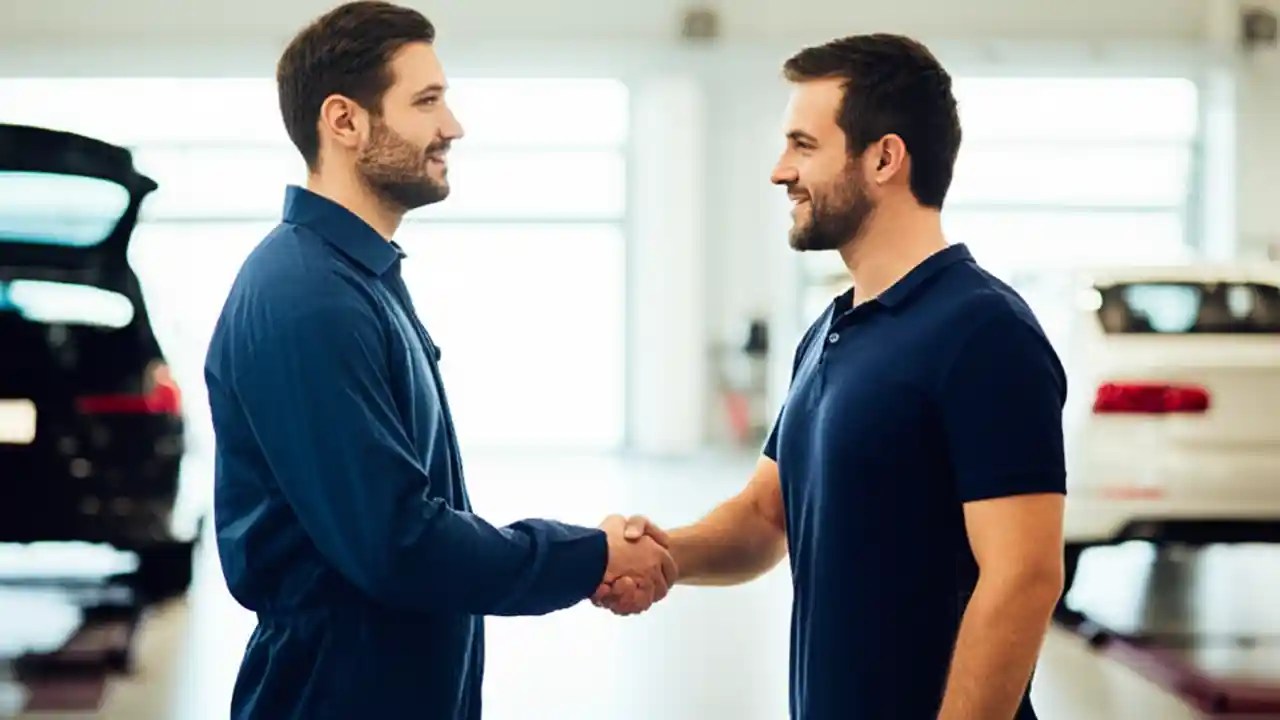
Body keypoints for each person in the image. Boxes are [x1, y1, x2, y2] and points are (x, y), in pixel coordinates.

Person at [202, 3, 675, 718]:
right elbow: (399, 545)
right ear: (344, 121)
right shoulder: (306, 296)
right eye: (426, 101)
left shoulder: (356, 279)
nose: (453, 126)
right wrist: (590, 557)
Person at [595, 34, 1067, 720]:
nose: (780, 171)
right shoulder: (831, 330)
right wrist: (663, 554)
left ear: (884, 158)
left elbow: (1024, 574)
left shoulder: (983, 331)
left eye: (803, 145)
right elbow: (766, 515)